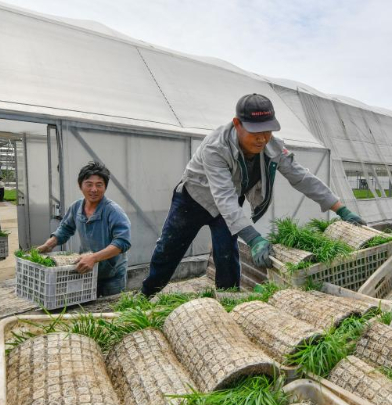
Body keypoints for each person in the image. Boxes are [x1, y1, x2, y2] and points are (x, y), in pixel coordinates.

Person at [141, 93, 366, 297]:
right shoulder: (215, 147)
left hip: (228, 204)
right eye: (256, 132)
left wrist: (341, 209)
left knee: (227, 256)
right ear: (237, 124)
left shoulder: (272, 146)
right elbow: (224, 196)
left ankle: (227, 300)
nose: (262, 138)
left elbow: (301, 177)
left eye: (267, 131)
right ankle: (147, 293)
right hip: (193, 200)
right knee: (169, 249)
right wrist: (254, 239)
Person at [36, 161, 132, 297]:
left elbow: (123, 242)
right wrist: (48, 245)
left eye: (99, 185)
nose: (94, 189)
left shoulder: (113, 211)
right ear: (80, 185)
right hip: (87, 270)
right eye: (89, 184)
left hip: (112, 275)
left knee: (110, 311)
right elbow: (65, 228)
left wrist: (93, 258)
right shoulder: (76, 207)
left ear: (105, 187)